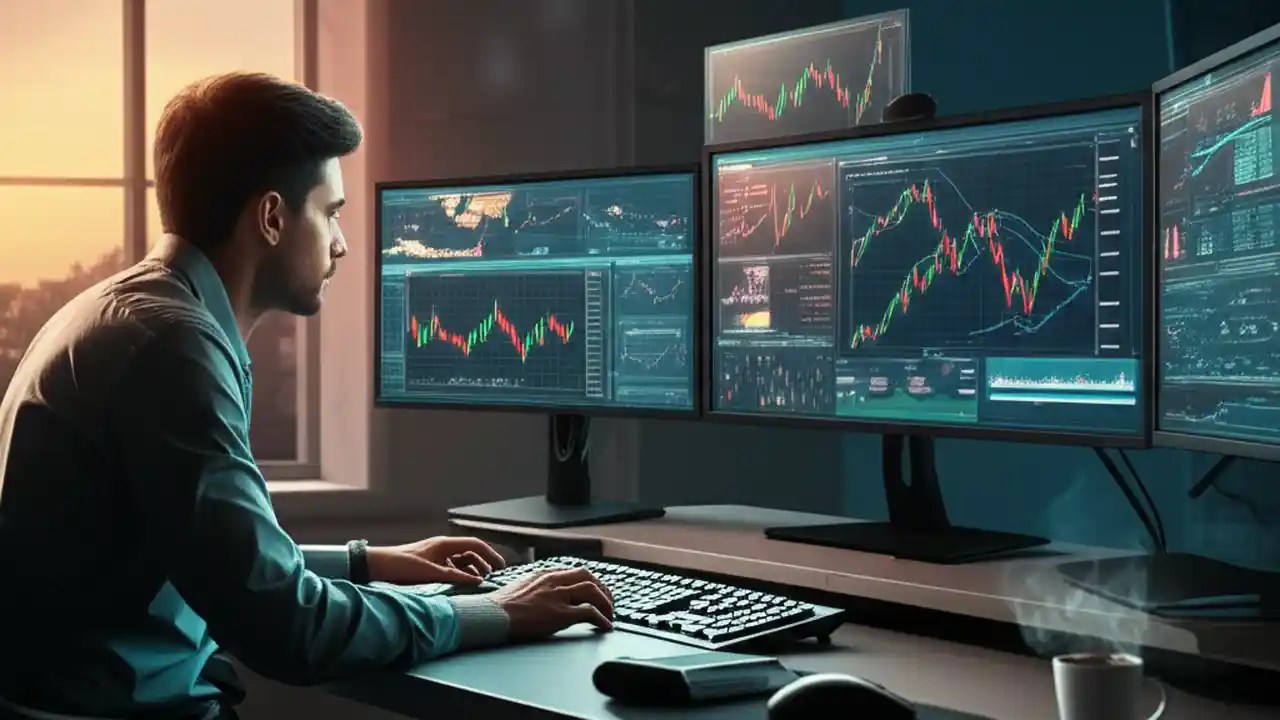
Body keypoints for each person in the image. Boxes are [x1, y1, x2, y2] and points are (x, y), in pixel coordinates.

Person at [0, 71, 613, 720]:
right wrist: (495, 612)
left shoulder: (131, 312)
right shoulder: (173, 350)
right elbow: (285, 627)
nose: (342, 244)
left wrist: (372, 562)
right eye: (331, 213)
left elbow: (212, 556)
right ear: (271, 217)